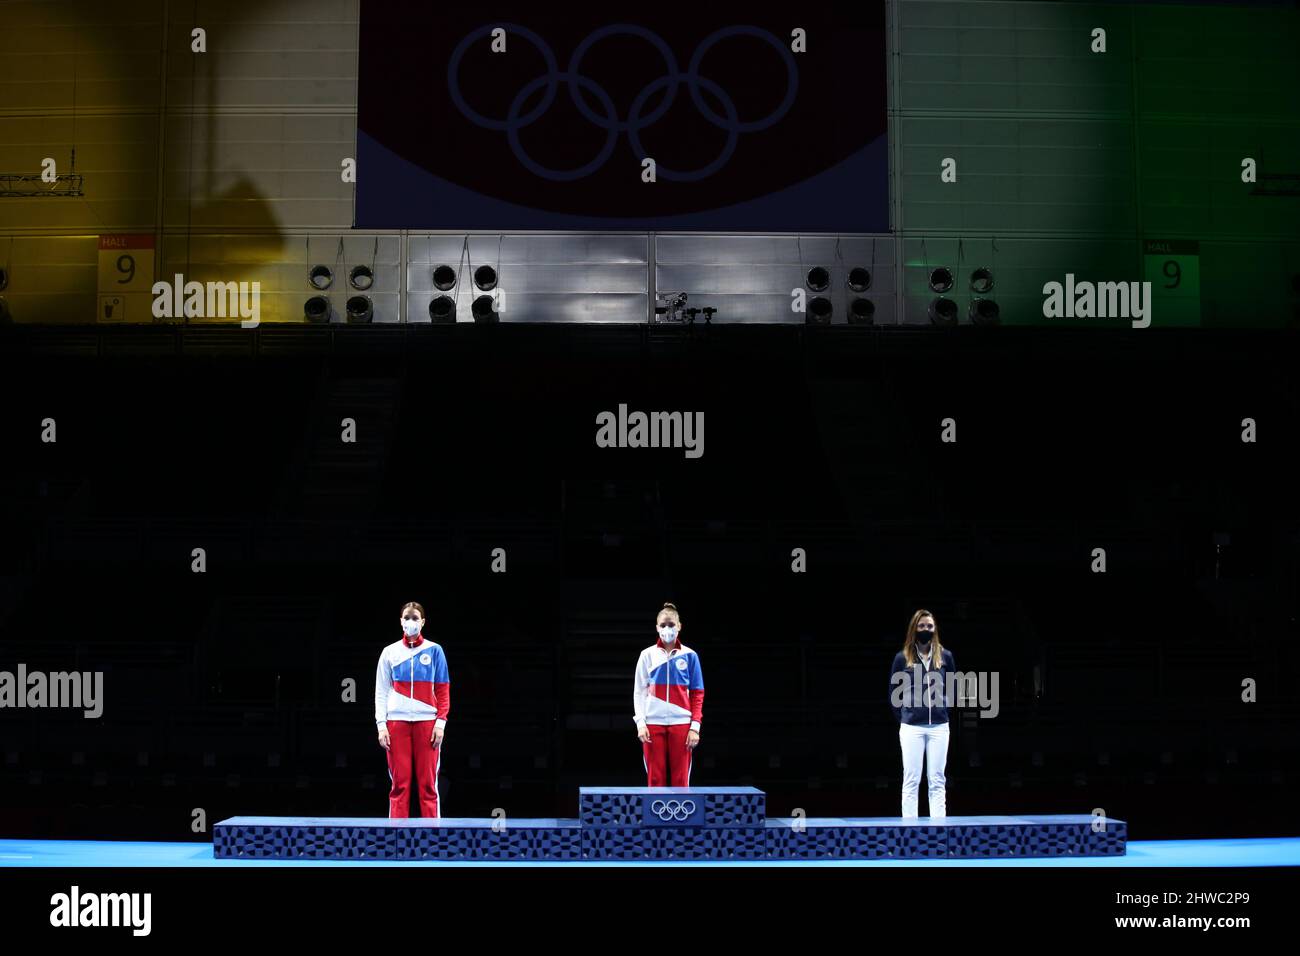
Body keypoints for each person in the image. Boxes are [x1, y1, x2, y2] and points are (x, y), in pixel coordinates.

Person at [375, 601, 450, 817]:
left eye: (415, 618)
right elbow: (381, 692)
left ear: (423, 622)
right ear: (400, 621)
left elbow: (443, 691)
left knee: (428, 787)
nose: (410, 622)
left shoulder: (435, 651)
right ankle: (397, 843)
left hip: (428, 724)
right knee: (399, 785)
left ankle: (432, 844)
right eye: (407, 617)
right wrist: (381, 725)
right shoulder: (389, 652)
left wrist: (441, 723)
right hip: (396, 724)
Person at [889, 609, 952, 818]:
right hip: (911, 728)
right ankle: (910, 836)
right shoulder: (902, 658)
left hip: (939, 728)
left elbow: (951, 689)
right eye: (922, 626)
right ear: (914, 628)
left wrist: (942, 711)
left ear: (935, 630)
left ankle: (939, 836)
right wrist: (907, 717)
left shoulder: (945, 657)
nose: (926, 630)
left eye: (930, 626)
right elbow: (893, 694)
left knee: (937, 781)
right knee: (911, 780)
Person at [633, 602, 704, 786]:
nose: (667, 629)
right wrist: (641, 723)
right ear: (657, 627)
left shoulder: (690, 655)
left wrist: (694, 727)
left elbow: (697, 694)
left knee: (681, 780)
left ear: (679, 626)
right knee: (655, 780)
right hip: (652, 724)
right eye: (663, 625)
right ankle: (655, 816)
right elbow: (639, 692)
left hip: (682, 723)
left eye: (671, 625)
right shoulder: (647, 655)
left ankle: (683, 815)